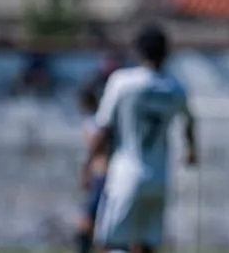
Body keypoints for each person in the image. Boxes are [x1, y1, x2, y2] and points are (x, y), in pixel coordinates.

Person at [82, 24, 197, 253]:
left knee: (112, 243)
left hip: (126, 176)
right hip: (159, 178)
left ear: (138, 51)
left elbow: (102, 129)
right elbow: (190, 122)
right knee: (146, 246)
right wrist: (192, 150)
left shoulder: (123, 83)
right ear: (166, 53)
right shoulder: (175, 88)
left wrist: (87, 166)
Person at [76, 87, 108, 253]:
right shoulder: (97, 120)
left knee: (95, 216)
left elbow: (94, 147)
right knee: (94, 214)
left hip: (102, 175)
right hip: (100, 174)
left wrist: (86, 168)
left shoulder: (95, 122)